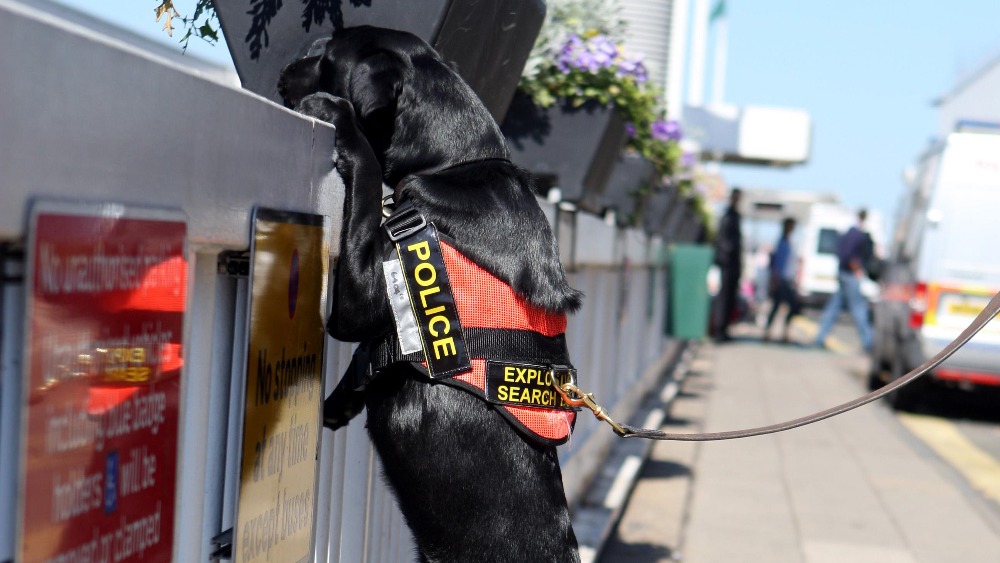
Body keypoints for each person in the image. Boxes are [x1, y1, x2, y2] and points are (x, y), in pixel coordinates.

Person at [814, 208, 874, 352]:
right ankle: (868, 343)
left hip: (842, 273)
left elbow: (841, 252)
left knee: (833, 308)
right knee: (859, 308)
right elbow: (849, 256)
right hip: (850, 275)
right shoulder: (857, 235)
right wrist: (857, 270)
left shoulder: (847, 233)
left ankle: (819, 338)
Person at [763, 217, 802, 343]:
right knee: (779, 306)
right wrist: (775, 279)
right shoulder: (781, 242)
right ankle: (770, 332)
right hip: (781, 280)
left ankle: (781, 331)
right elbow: (777, 264)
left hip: (789, 280)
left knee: (789, 306)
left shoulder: (792, 242)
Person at [712, 188, 743, 342]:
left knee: (729, 298)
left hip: (732, 264)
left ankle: (724, 329)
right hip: (727, 264)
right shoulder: (727, 216)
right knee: (723, 298)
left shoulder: (735, 215)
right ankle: (719, 331)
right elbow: (723, 240)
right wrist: (726, 255)